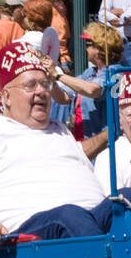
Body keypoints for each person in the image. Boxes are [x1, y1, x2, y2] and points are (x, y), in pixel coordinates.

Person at [0, 41, 131, 247]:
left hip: (88, 223)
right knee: (69, 216)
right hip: (30, 240)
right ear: (6, 96)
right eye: (30, 85)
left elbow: (80, 152)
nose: (41, 91)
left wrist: (110, 134)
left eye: (45, 84)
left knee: (130, 199)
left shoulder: (59, 130)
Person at [50, 21, 122, 158]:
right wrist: (50, 80)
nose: (85, 48)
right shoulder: (89, 73)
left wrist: (58, 75)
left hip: (103, 148)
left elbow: (93, 90)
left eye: (88, 44)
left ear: (99, 48)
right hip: (81, 141)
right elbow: (63, 98)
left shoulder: (115, 72)